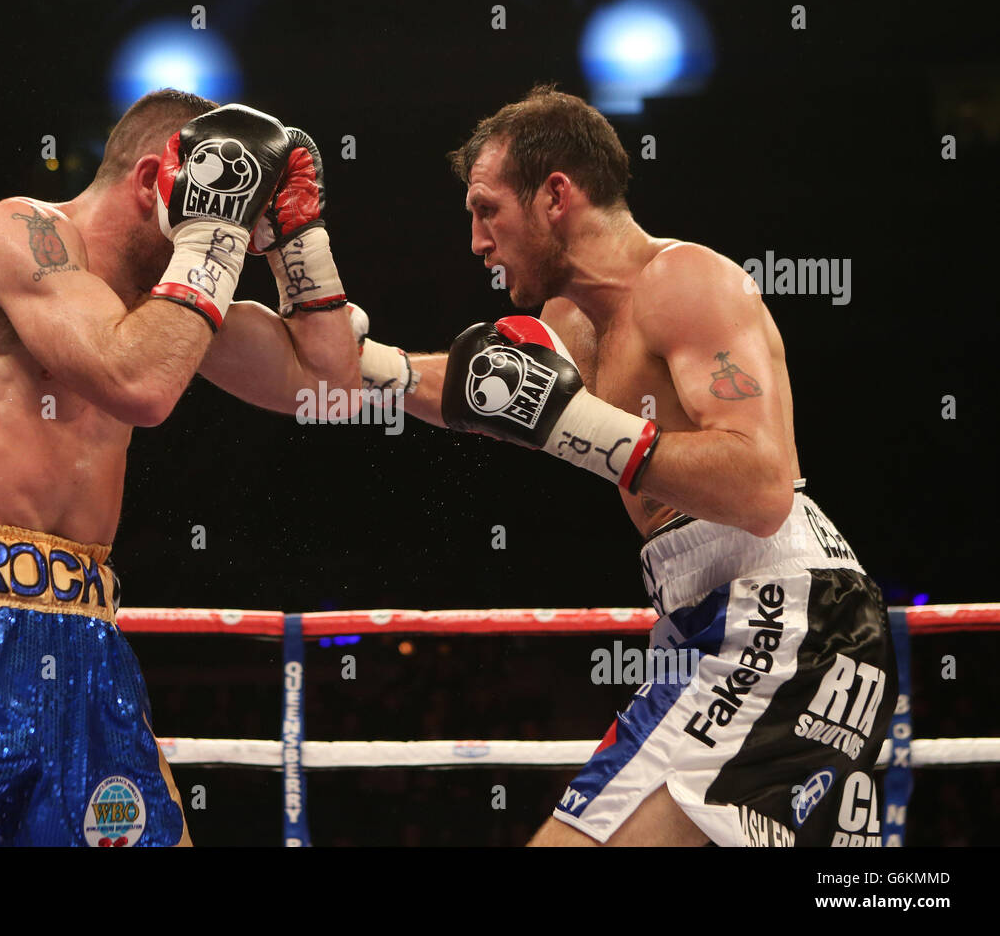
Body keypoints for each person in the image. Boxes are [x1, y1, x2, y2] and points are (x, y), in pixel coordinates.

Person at [0, 90, 358, 847]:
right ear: (162, 178)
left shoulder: (170, 307)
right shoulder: (17, 235)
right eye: (228, 204)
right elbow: (138, 384)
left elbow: (330, 387)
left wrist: (300, 239)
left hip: (85, 643)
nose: (235, 234)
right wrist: (211, 238)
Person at [355, 85, 895, 847]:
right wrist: (358, 360)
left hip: (782, 612)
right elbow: (477, 388)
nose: (477, 240)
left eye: (486, 209)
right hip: (709, 623)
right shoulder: (569, 324)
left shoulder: (688, 282)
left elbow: (764, 486)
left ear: (555, 195)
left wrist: (589, 428)